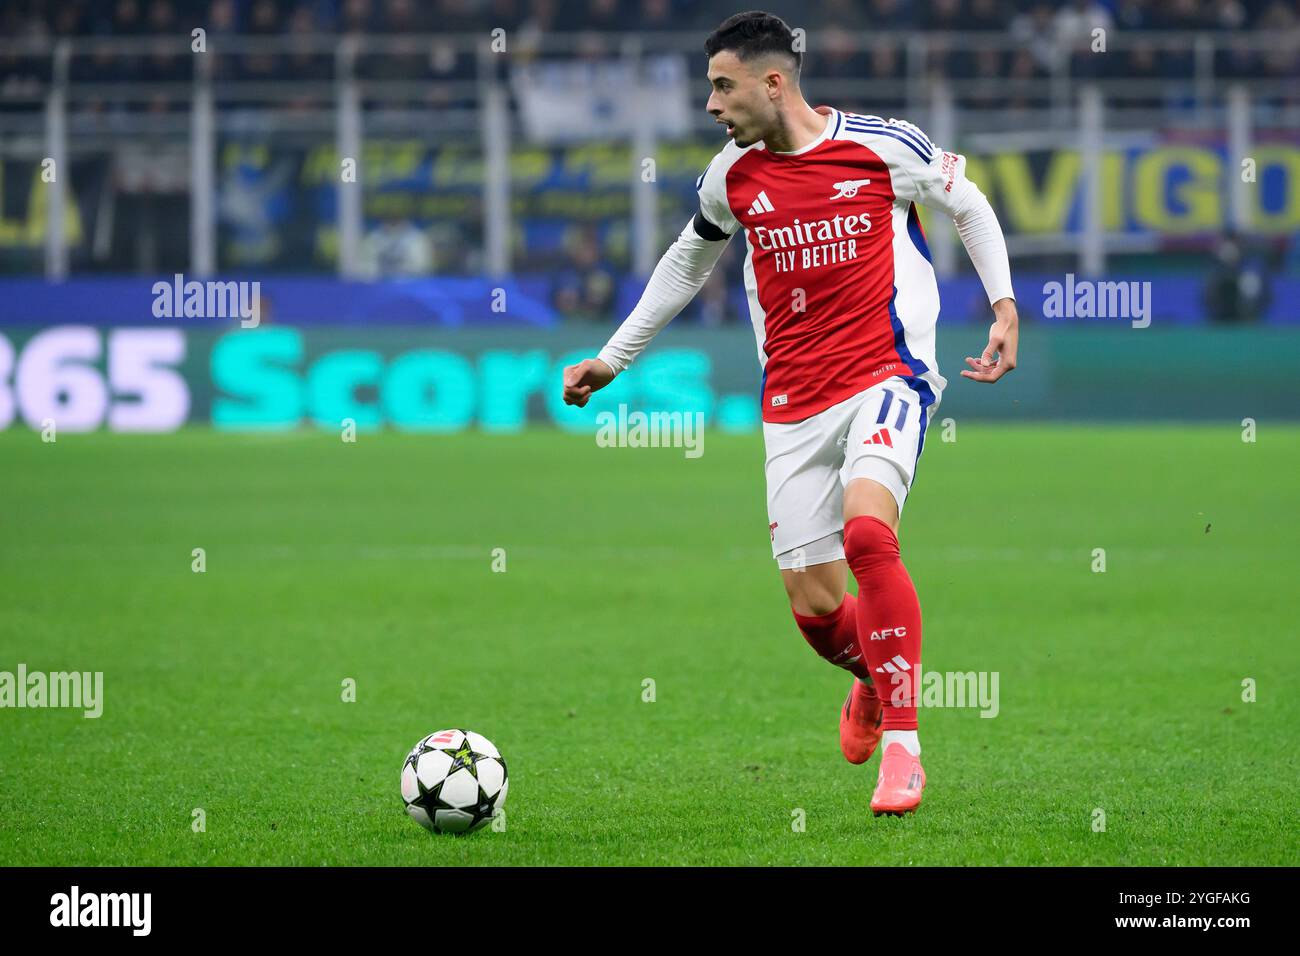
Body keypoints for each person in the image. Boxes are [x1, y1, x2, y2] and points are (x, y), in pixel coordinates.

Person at [560, 11, 1019, 817]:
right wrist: (613, 358)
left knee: (871, 534)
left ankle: (906, 752)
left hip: (890, 374)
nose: (710, 103)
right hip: (794, 403)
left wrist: (1004, 306)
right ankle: (874, 680)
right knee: (813, 607)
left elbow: (970, 205)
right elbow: (684, 262)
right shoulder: (730, 175)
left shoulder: (884, 145)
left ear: (774, 83)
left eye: (722, 85)